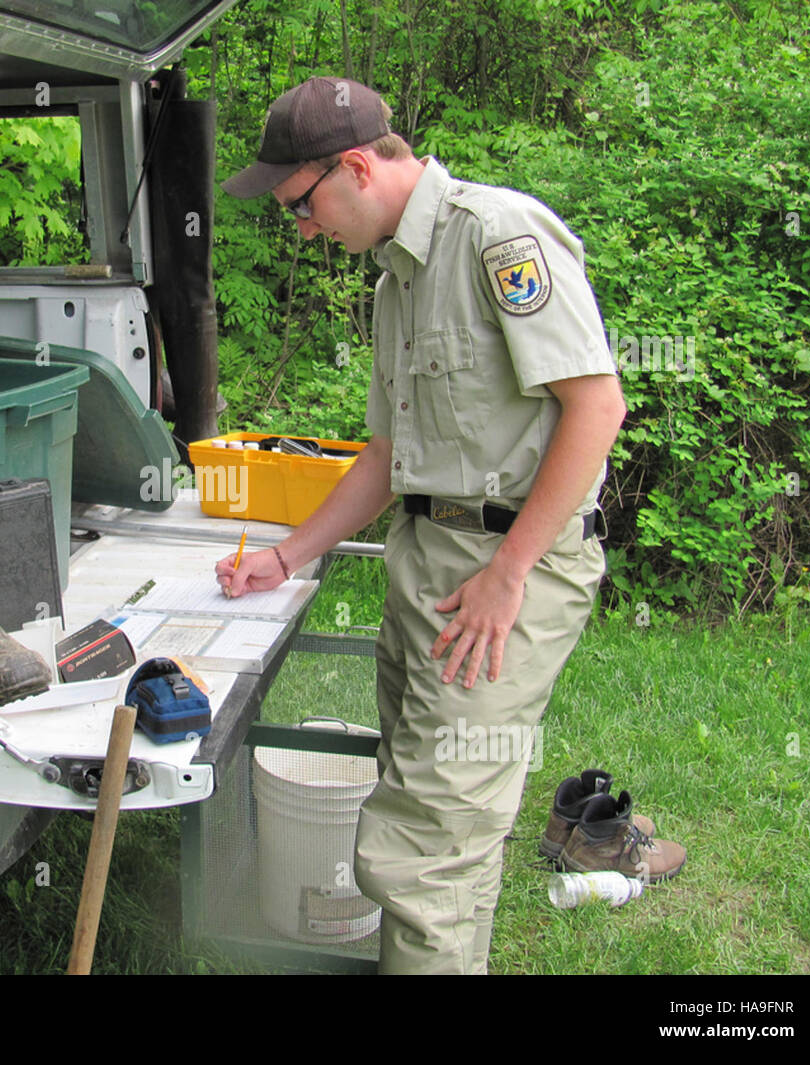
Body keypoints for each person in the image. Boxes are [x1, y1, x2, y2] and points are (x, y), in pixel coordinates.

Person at [216, 76, 627, 973]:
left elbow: (597, 407)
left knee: (419, 851)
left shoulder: (497, 237)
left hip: (501, 573)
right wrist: (285, 557)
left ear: (355, 167)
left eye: (301, 205)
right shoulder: (397, 278)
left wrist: (511, 572)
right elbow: (386, 456)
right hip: (429, 561)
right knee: (441, 815)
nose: (302, 228)